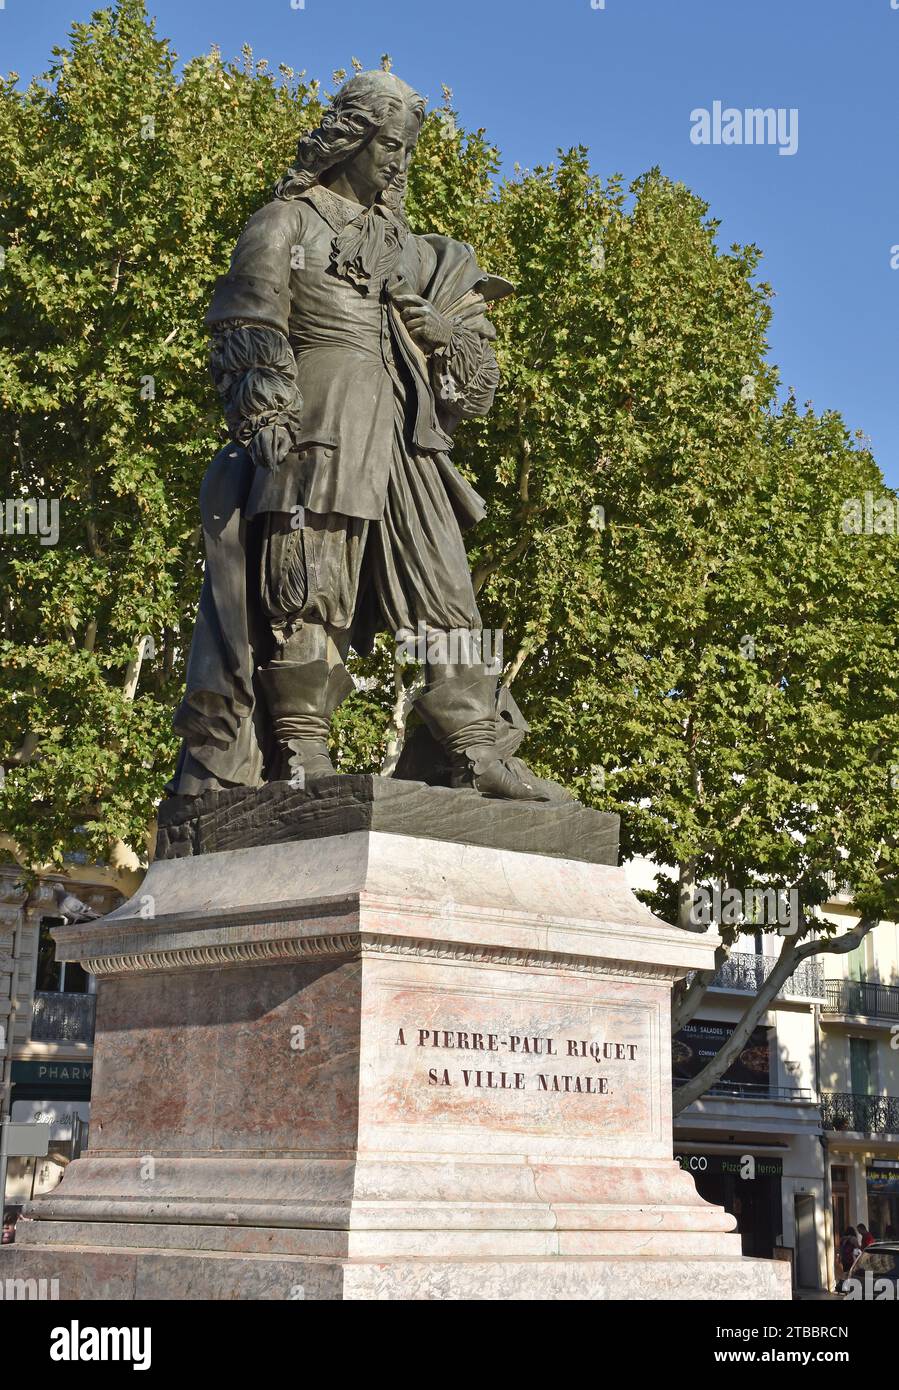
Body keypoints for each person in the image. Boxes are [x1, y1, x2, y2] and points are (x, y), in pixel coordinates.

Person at [171, 69, 558, 803]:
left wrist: (445, 336)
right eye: (389, 145)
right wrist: (269, 417)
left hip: (406, 437)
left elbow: (472, 388)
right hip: (320, 415)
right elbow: (246, 324)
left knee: (445, 591)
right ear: (349, 137)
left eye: (407, 150)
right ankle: (300, 748)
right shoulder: (284, 222)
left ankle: (475, 748)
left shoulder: (411, 251)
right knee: (307, 583)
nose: (398, 163)